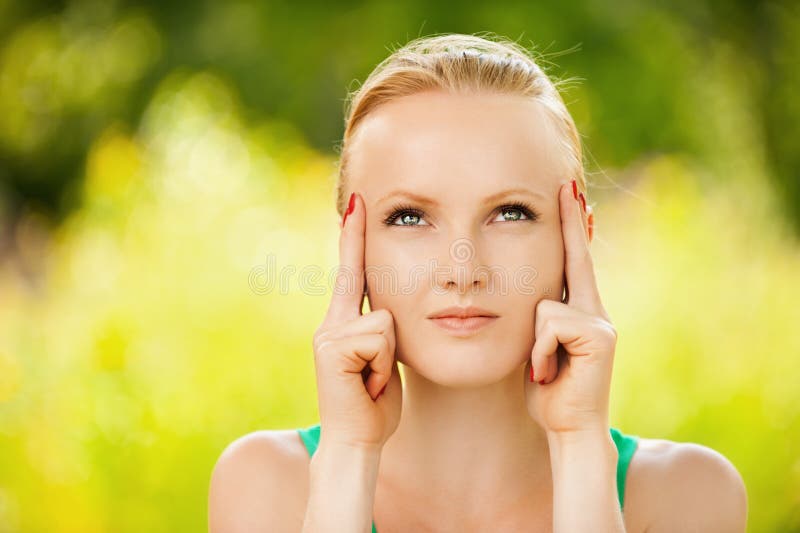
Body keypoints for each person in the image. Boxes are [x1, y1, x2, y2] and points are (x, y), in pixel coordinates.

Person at [208, 33, 748, 532]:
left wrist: (580, 446)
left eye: (510, 213)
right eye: (410, 217)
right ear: (354, 242)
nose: (462, 271)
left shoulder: (689, 493)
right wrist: (349, 454)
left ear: (574, 236)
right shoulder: (265, 485)